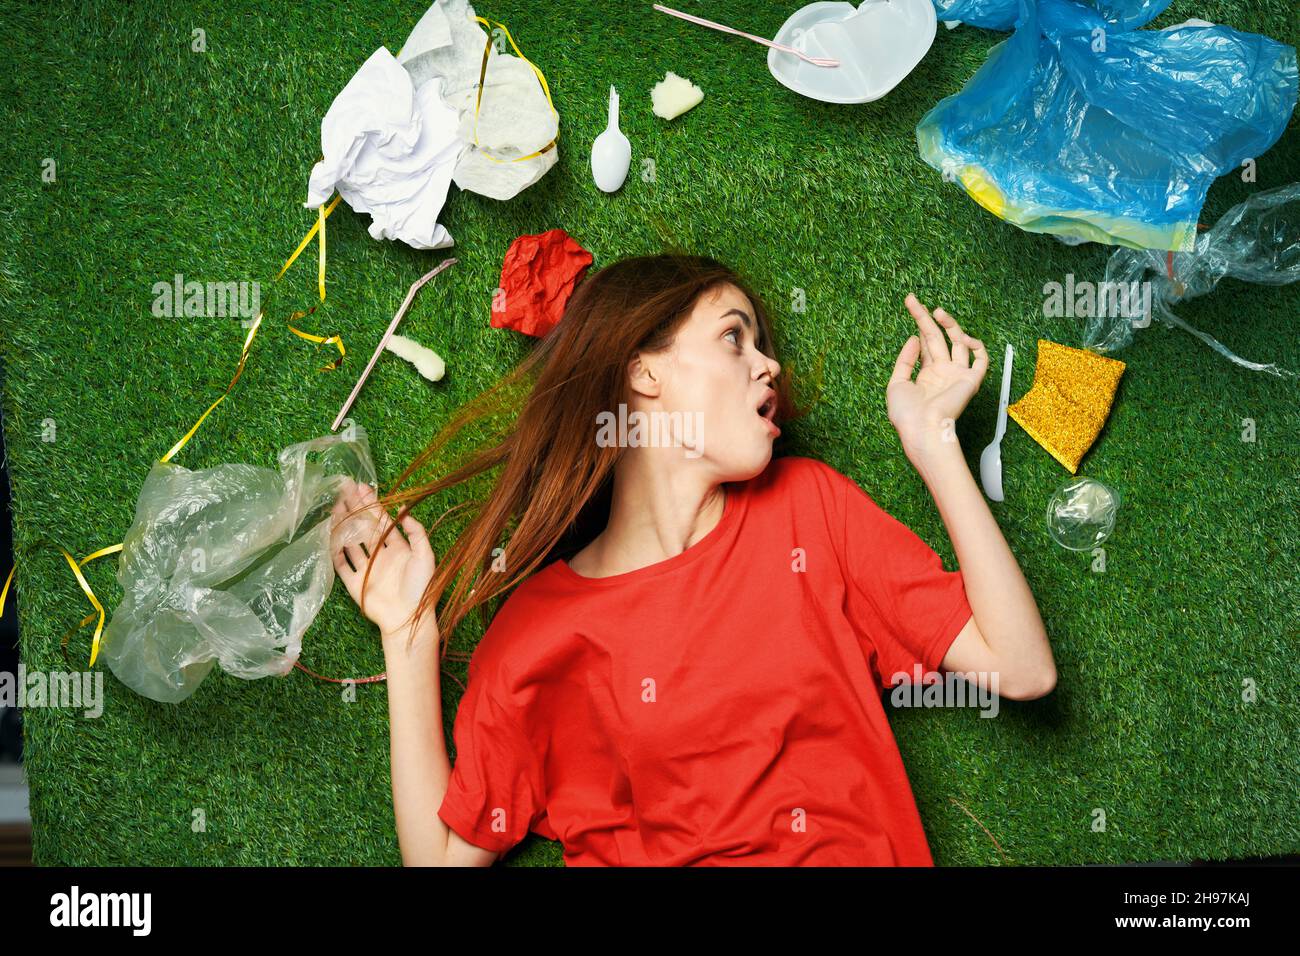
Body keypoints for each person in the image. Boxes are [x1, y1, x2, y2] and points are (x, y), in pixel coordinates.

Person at [329, 253, 1055, 866]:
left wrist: (933, 442)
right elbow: (444, 860)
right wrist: (408, 635)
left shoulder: (810, 510)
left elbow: (1021, 668)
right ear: (643, 373)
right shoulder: (537, 633)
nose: (768, 365)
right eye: (735, 338)